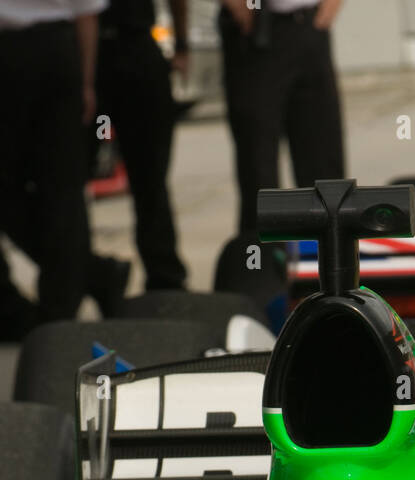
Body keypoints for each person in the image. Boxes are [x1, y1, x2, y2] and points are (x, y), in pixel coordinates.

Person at [0, 0, 109, 324]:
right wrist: (86, 81)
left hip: (39, 51)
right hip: (55, 48)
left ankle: (63, 299)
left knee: (59, 187)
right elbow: (87, 13)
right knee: (61, 187)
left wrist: (85, 82)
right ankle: (76, 285)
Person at [219, 0, 345, 237]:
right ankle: (261, 267)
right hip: (255, 28)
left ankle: (331, 263)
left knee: (324, 168)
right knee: (258, 171)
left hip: (309, 23)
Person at [93, 0, 188, 290]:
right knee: (63, 185)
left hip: (136, 45)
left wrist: (181, 44)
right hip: (79, 49)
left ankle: (165, 279)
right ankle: (87, 274)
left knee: (150, 177)